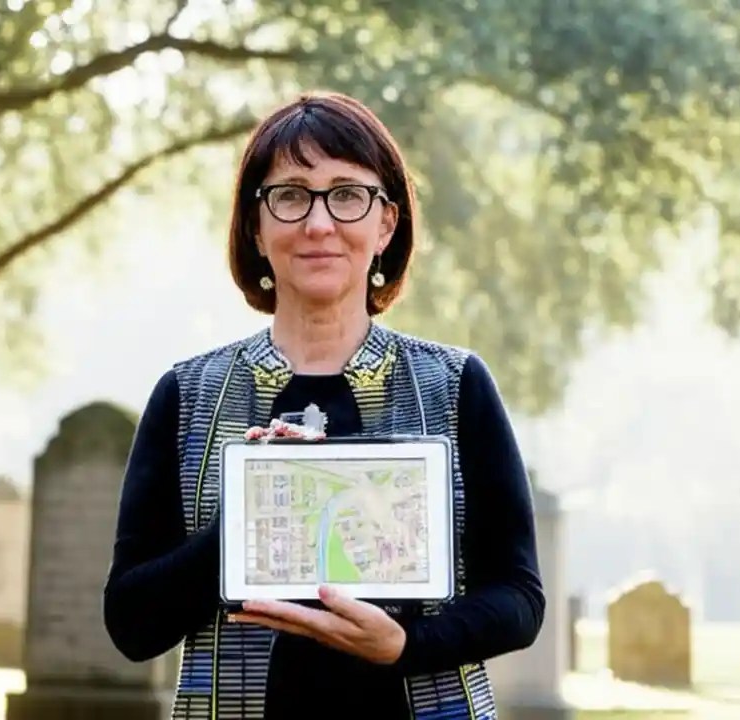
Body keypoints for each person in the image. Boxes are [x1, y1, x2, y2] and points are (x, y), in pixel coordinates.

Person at [102, 91, 545, 719]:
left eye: (347, 194)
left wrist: (406, 645)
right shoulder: (189, 394)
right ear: (255, 227)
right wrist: (253, 518)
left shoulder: (455, 384)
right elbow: (131, 624)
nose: (318, 223)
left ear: (386, 224)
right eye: (289, 195)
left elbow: (520, 598)